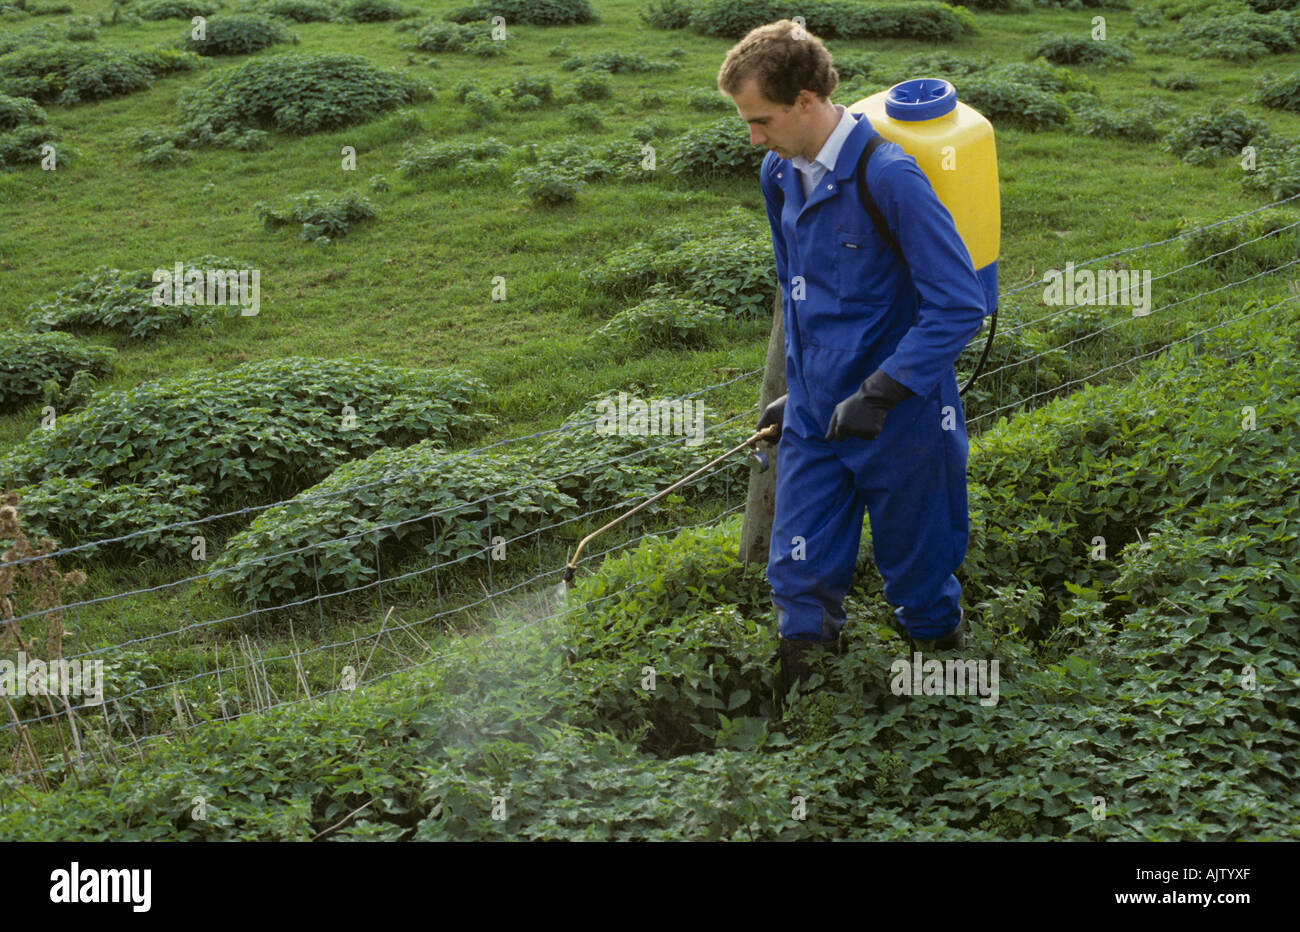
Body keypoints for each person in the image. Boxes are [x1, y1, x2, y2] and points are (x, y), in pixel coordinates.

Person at [717, 21, 988, 692]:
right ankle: (811, 723)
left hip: (901, 419)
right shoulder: (777, 174)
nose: (753, 135)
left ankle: (945, 714)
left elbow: (957, 303)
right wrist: (800, 386)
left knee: (919, 575)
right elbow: (796, 292)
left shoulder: (888, 177)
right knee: (798, 574)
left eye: (763, 119)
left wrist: (884, 390)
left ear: (807, 100)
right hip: (815, 415)